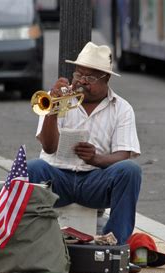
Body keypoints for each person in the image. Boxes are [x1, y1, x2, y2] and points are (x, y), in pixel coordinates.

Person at [28, 41, 142, 245]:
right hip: (58, 178)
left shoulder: (122, 109)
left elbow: (123, 155)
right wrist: (53, 110)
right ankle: (32, 239)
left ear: (106, 78)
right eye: (78, 74)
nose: (82, 82)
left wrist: (97, 158)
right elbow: (48, 147)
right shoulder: (59, 99)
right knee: (33, 167)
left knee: (130, 170)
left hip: (94, 182)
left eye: (89, 77)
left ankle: (114, 244)